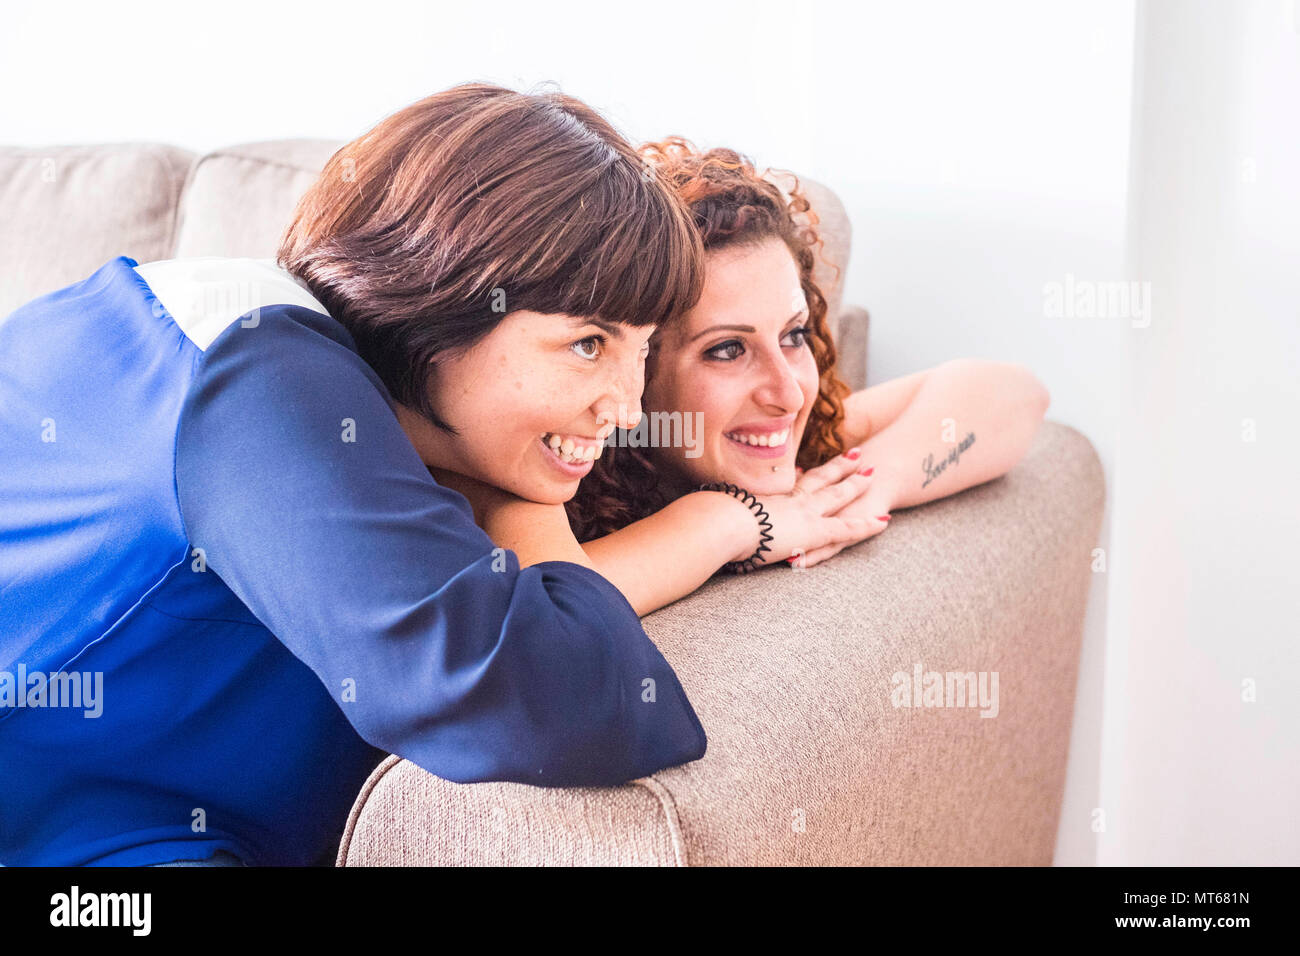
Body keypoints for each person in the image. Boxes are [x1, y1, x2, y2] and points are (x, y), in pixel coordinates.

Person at [0, 85, 720, 867]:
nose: (624, 409)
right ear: (448, 292)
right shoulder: (253, 374)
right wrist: (542, 506)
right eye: (588, 343)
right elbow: (546, 699)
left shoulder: (357, 413)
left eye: (641, 349)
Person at [461, 139, 1051, 615]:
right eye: (726, 350)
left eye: (793, 336)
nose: (788, 393)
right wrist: (736, 521)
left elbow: (1014, 394)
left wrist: (862, 491)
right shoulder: (546, 461)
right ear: (636, 367)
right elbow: (557, 603)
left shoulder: (783, 438)